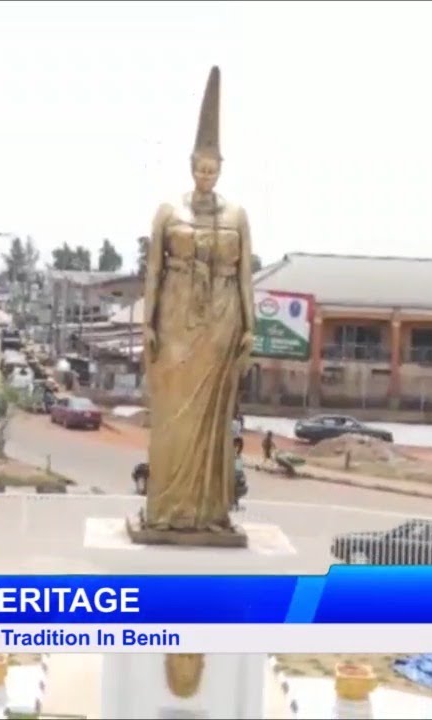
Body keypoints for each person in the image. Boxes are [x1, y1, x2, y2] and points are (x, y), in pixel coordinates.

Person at [141, 66, 255, 534]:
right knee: (172, 412)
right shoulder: (169, 211)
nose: (207, 175)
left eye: (214, 168)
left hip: (222, 318)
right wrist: (146, 322)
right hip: (174, 317)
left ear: (220, 169)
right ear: (191, 166)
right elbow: (153, 270)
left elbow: (246, 272)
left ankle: (210, 510)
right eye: (201, 167)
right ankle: (166, 508)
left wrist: (251, 326)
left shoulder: (237, 214)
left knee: (213, 417)